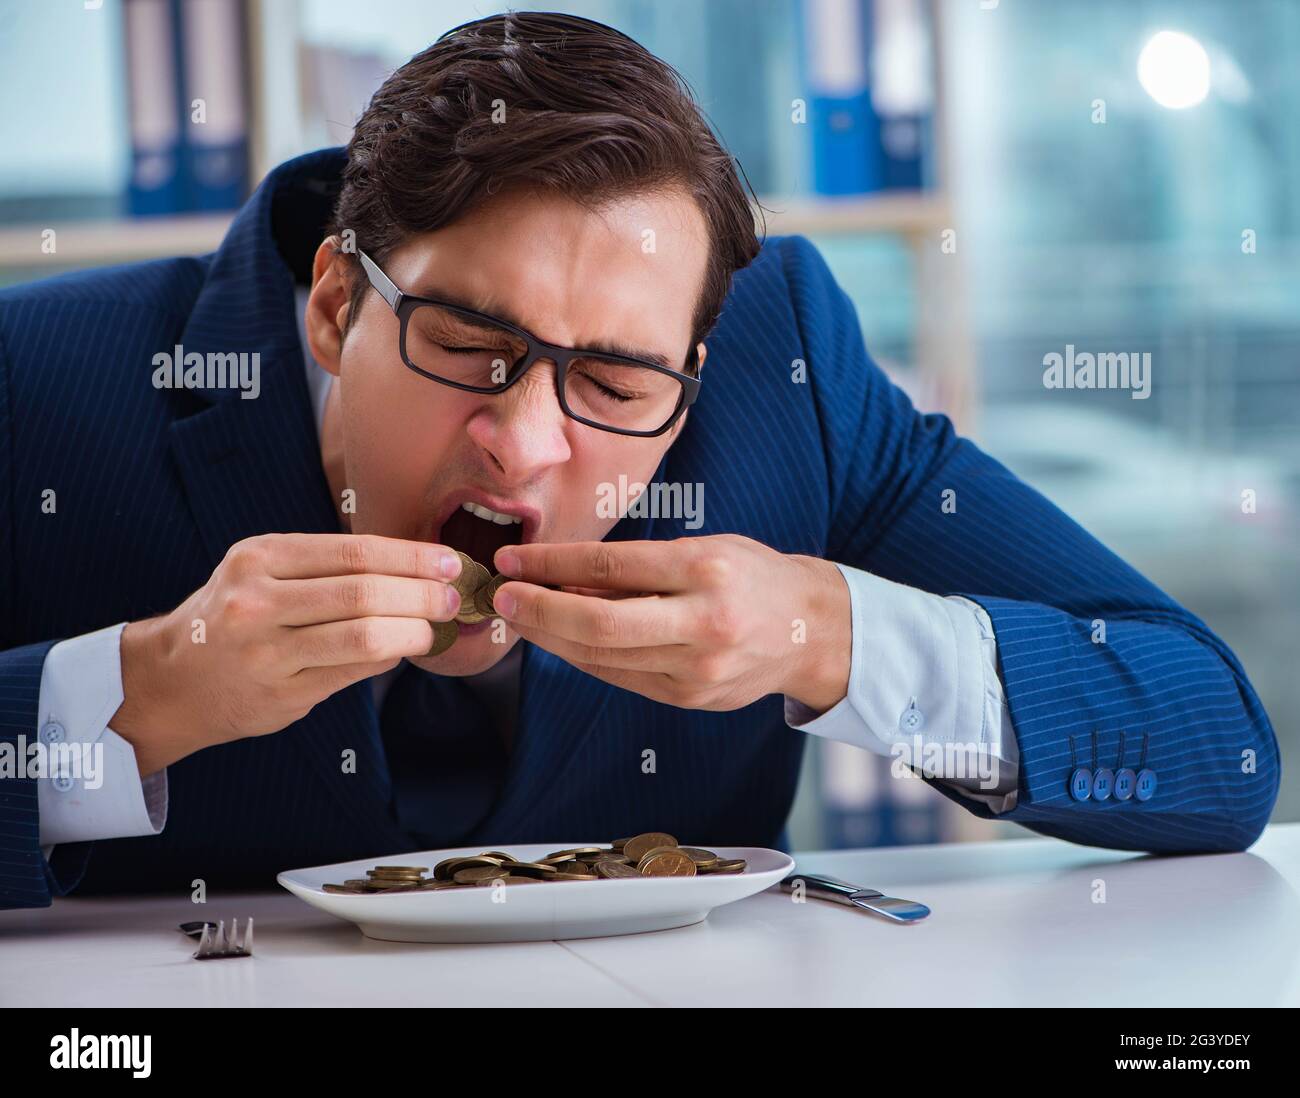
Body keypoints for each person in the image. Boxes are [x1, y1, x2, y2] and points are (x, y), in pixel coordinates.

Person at [0, 12, 1277, 911]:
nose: (523, 442)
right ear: (338, 304)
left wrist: (833, 638)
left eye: (613, 385)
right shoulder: (41, 378)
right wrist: (133, 699)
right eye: (466, 346)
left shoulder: (785, 368)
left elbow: (1216, 752)